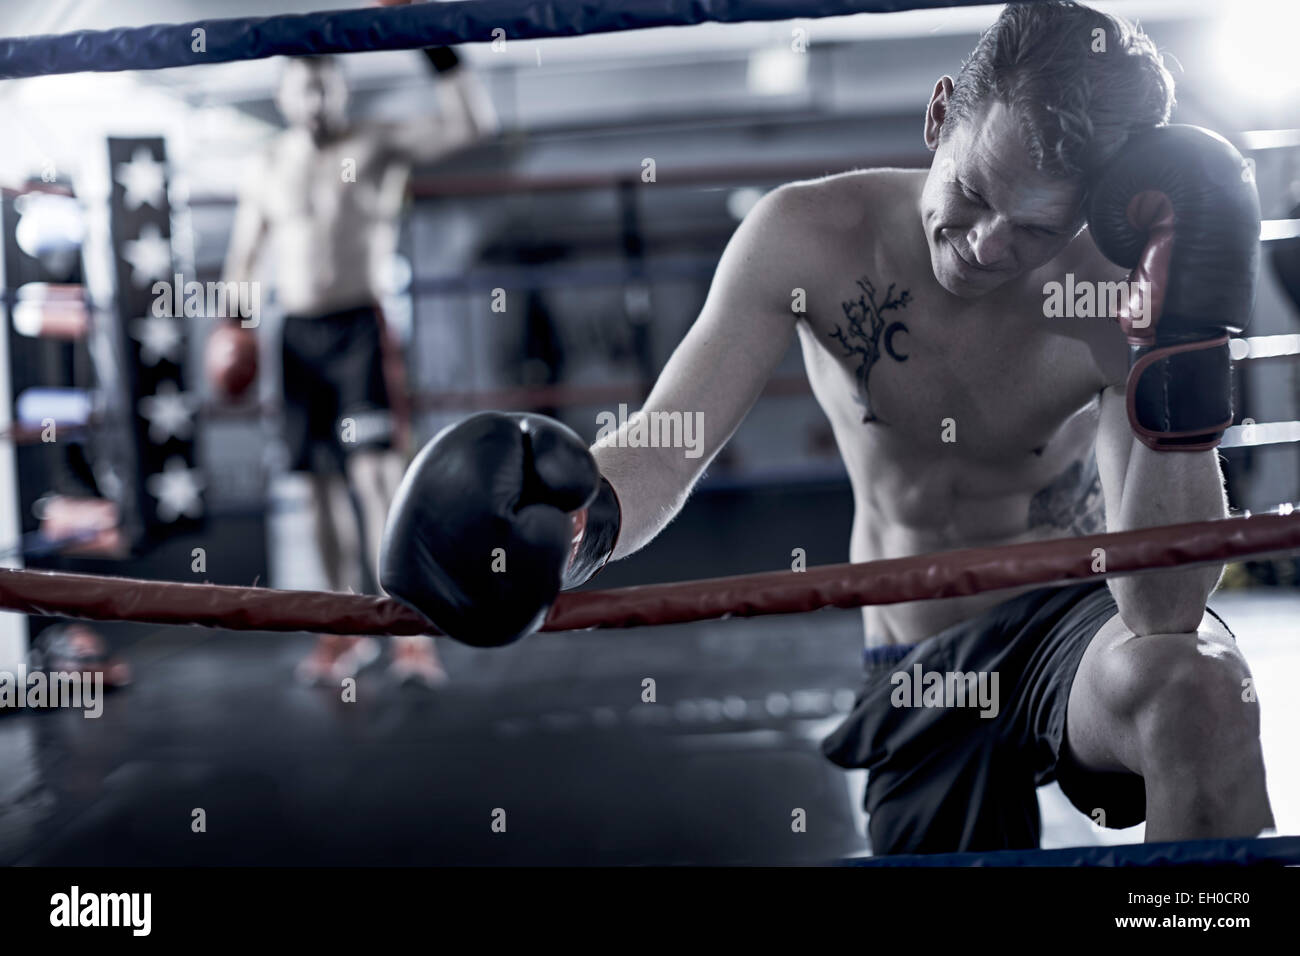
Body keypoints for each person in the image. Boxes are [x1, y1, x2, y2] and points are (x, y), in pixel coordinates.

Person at [379, 1, 1275, 853]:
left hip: (1073, 623)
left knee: (1198, 689)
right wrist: (577, 527)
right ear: (937, 118)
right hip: (919, 656)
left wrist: (1179, 345)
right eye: (971, 191)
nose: (989, 245)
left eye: (1036, 228)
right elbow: (671, 438)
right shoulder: (808, 237)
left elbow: (1162, 608)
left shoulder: (1118, 293)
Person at [219, 49, 496, 686]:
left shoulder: (375, 145)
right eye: (302, 90)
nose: (314, 101)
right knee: (315, 486)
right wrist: (235, 327)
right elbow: (244, 253)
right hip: (297, 336)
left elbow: (471, 126)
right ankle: (343, 627)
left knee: (376, 478)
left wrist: (438, 47)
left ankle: (406, 627)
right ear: (284, 96)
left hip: (359, 333)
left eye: (324, 88)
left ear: (341, 91)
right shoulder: (265, 165)